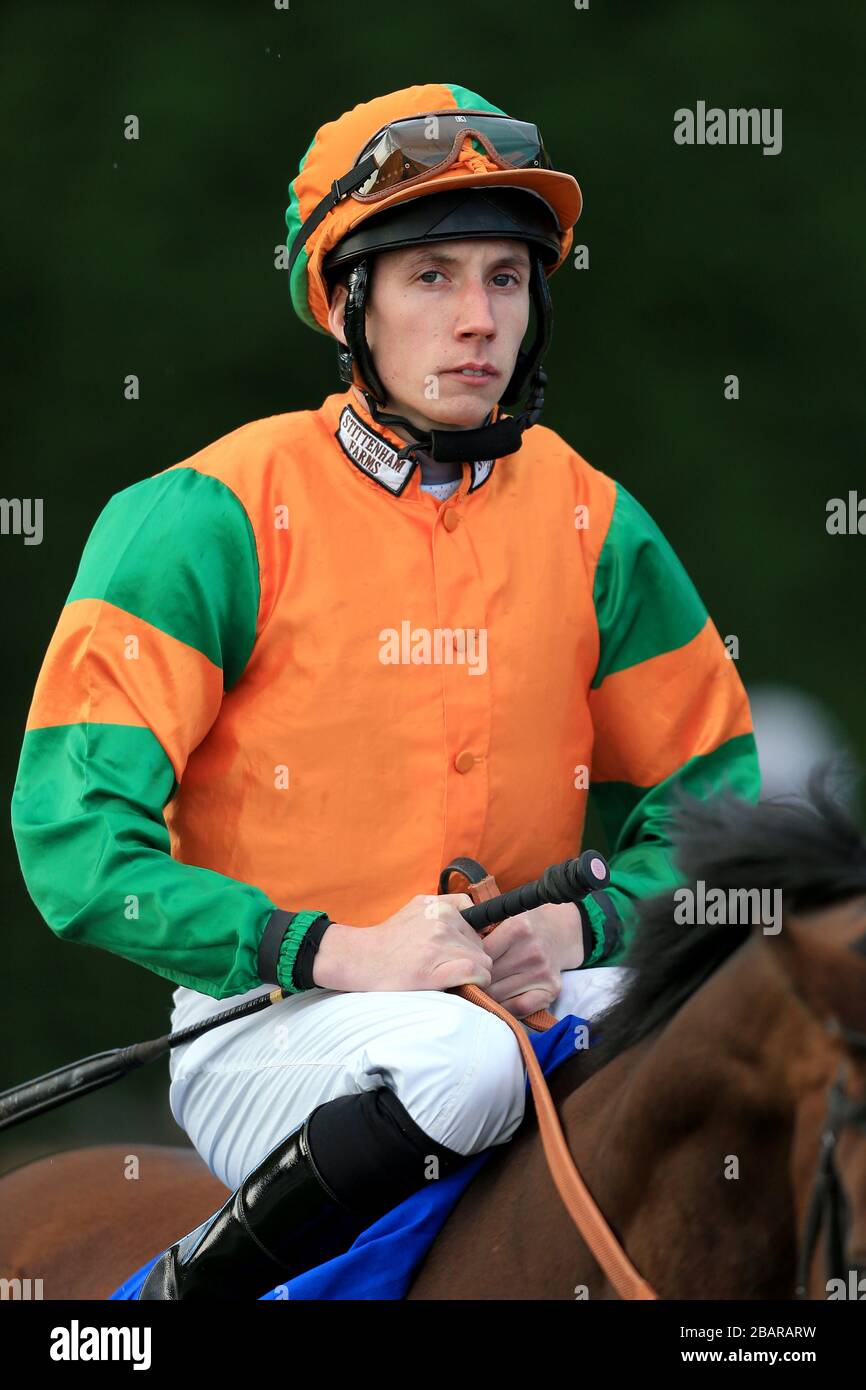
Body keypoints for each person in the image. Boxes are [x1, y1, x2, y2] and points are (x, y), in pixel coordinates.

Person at [10, 83, 760, 1300]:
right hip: (272, 1015)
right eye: (430, 277)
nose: (477, 320)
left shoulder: (592, 519)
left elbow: (718, 808)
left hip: (529, 989)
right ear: (346, 303)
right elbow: (74, 844)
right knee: (460, 1065)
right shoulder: (204, 515)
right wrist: (331, 948)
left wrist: (579, 926)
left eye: (504, 279)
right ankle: (169, 1299)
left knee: (760, 1032)